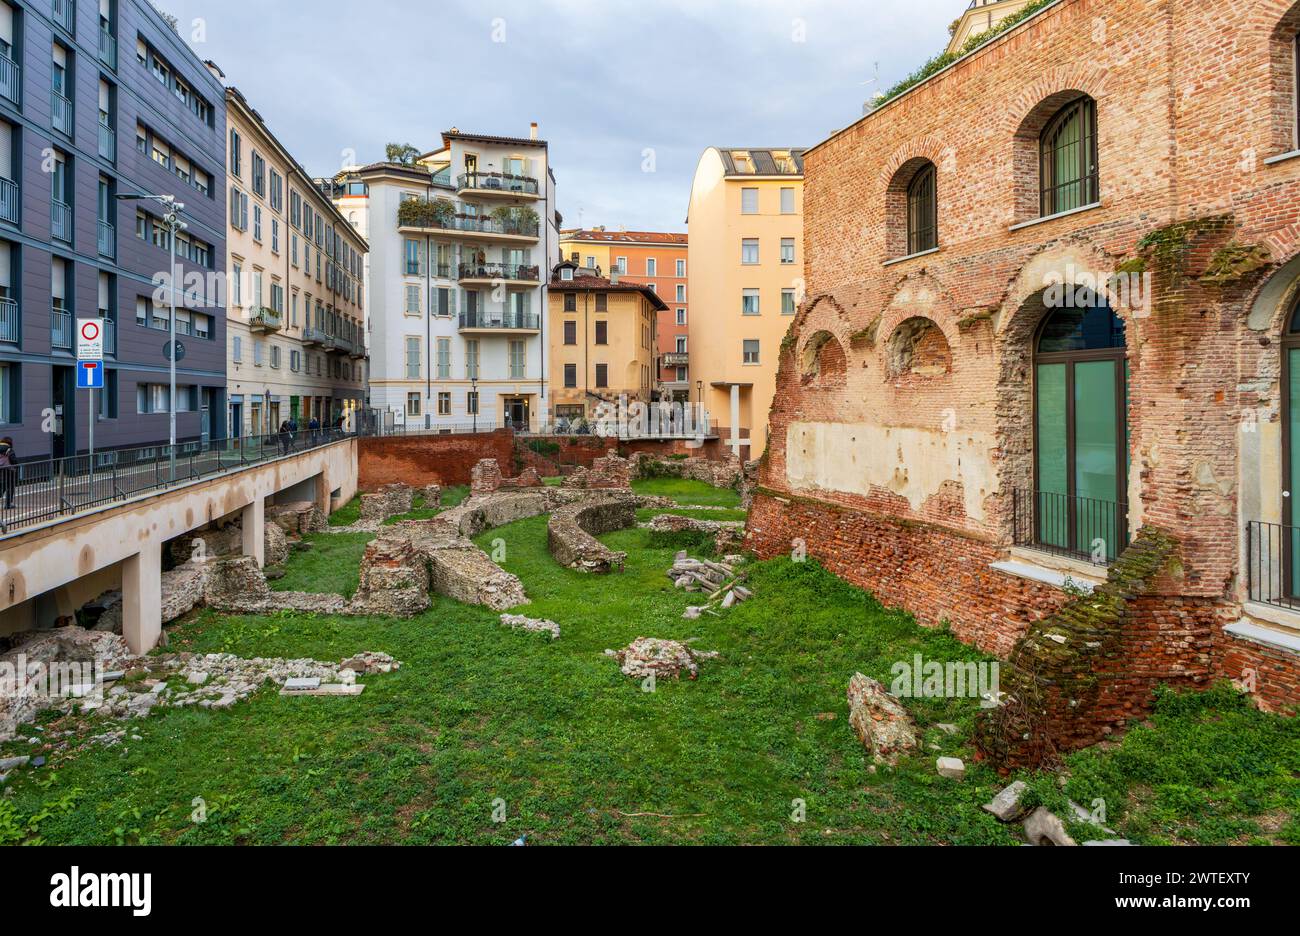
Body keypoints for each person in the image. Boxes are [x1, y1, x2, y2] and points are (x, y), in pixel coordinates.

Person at [0, 436, 14, 510]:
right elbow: (13, 460)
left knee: (1, 486)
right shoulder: (9, 449)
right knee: (10, 487)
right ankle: (8, 504)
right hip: (7, 470)